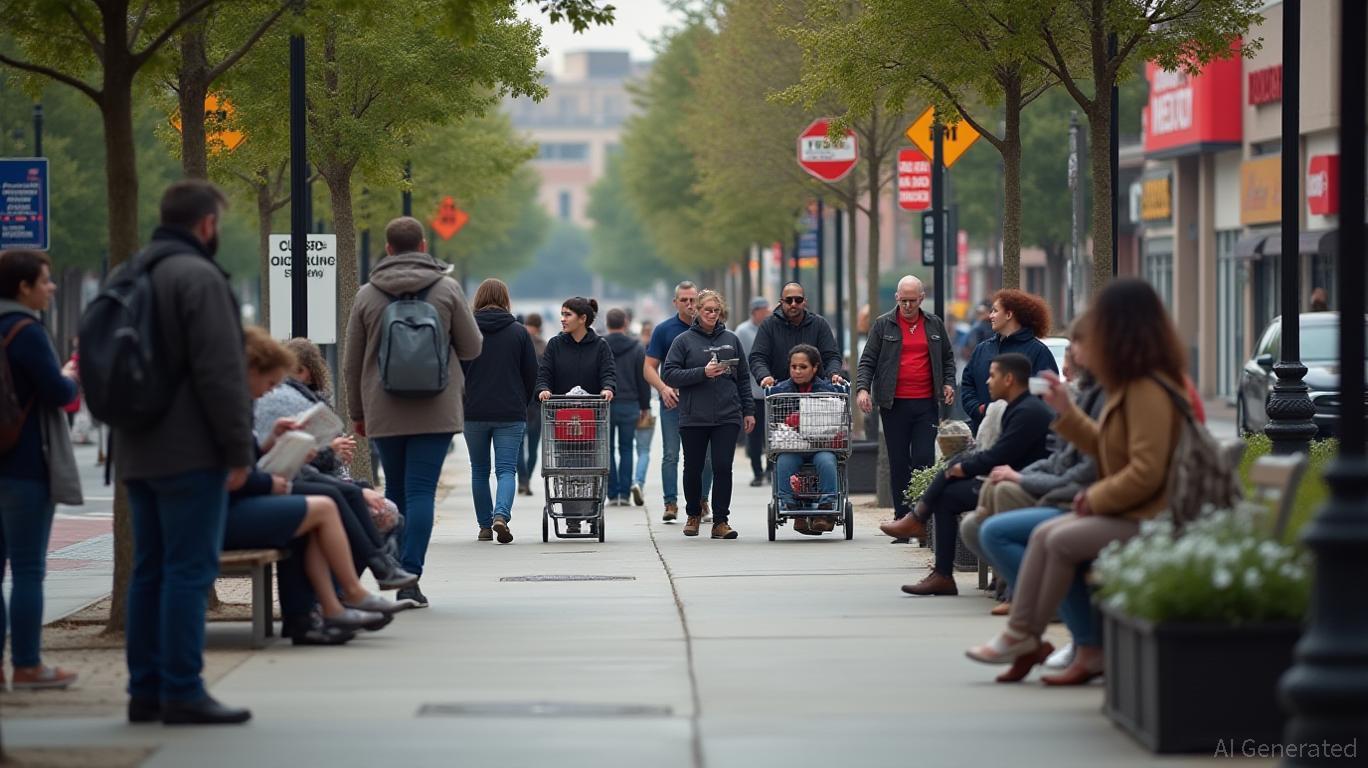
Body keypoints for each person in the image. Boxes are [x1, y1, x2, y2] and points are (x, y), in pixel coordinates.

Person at [966, 279, 1189, 686]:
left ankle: (1040, 638)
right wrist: (1068, 414)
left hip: (1150, 515)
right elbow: (1108, 449)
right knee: (1041, 535)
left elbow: (1146, 471)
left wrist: (1093, 498)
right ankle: (1051, 641)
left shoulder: (1147, 390)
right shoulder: (1129, 387)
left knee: (1052, 538)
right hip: (1130, 509)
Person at [114, 180, 253, 724]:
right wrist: (237, 450)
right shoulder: (199, 277)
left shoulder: (129, 272)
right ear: (206, 223)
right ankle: (182, 690)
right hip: (191, 452)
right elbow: (222, 375)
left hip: (136, 446)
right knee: (188, 572)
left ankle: (145, 690)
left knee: (148, 570)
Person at [343, 216, 482, 608]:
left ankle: (393, 568)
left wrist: (358, 412)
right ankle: (410, 577)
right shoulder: (447, 288)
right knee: (422, 491)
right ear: (423, 246)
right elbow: (472, 347)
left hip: (383, 407)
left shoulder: (367, 294)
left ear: (388, 249)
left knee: (396, 490)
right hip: (436, 408)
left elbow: (352, 362)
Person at [234, 327, 403, 642]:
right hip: (224, 508)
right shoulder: (230, 407)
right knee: (325, 505)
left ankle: (319, 612)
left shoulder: (239, 402)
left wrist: (272, 444)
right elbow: (233, 476)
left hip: (237, 498)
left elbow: (243, 461)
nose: (268, 392)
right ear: (252, 370)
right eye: (269, 383)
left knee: (330, 500)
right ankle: (349, 593)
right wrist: (272, 483)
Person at [253, 339, 416, 591]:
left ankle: (357, 584)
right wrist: (328, 452)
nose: (274, 386)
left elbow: (261, 456)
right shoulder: (280, 401)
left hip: (297, 478)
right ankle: (359, 583)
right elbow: (251, 469)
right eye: (272, 379)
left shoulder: (304, 399)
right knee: (345, 499)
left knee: (355, 496)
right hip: (278, 486)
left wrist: (323, 452)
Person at [892, 353, 1054, 596]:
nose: (987, 382)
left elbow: (1000, 454)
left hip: (1018, 487)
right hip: (1003, 480)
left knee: (949, 490)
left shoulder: (1028, 411)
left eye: (993, 376)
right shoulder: (1019, 407)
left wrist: (965, 468)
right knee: (950, 484)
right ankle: (939, 568)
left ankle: (924, 532)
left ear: (1009, 379)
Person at [0, 249, 81, 691]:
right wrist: (69, 376)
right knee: (29, 570)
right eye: (45, 281)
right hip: (25, 464)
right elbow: (58, 394)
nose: (51, 288)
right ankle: (27, 666)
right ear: (23, 287)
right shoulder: (27, 331)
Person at [856, 276, 957, 535]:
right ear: (896, 298)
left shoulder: (934, 324)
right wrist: (862, 389)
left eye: (913, 301)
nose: (908, 306)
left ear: (922, 298)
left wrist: (948, 383)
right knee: (899, 460)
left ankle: (921, 515)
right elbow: (868, 360)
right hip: (894, 404)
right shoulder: (883, 325)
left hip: (926, 403)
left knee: (924, 458)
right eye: (903, 301)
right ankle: (902, 517)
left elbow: (947, 358)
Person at [661, 290, 755, 539]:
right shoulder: (683, 341)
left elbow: (743, 378)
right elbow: (669, 374)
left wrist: (748, 410)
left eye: (716, 311)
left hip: (727, 414)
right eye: (707, 310)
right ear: (697, 311)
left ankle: (721, 521)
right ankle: (693, 514)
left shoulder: (731, 339)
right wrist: (702, 373)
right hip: (694, 416)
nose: (712, 315)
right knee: (693, 467)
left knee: (723, 466)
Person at [462, 279, 537, 544]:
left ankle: (484, 525)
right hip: (509, 411)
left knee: (479, 470)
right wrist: (522, 401)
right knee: (506, 470)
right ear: (505, 299)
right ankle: (501, 515)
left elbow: (456, 370)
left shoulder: (466, 330)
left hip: (473, 411)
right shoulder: (519, 332)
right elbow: (531, 373)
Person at [536, 297, 617, 533]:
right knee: (565, 469)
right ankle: (572, 517)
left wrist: (607, 388)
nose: (562, 319)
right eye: (562, 314)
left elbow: (608, 373)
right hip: (562, 418)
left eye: (567, 314)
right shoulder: (555, 345)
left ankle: (592, 512)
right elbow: (544, 373)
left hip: (592, 418)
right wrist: (543, 389)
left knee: (592, 468)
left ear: (583, 319)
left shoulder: (600, 346)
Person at [644, 282, 712, 523]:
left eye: (693, 299)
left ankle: (702, 500)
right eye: (684, 300)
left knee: (706, 457)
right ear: (675, 303)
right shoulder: (664, 330)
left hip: (704, 403)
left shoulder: (710, 328)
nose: (689, 304)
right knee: (671, 454)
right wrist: (663, 389)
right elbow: (649, 367)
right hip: (673, 403)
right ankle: (670, 503)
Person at [960, 289, 1058, 435]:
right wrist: (979, 409)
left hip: (1021, 435)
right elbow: (968, 385)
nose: (990, 316)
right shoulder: (982, 349)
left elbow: (1046, 395)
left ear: (1008, 314)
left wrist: (1016, 417)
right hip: (982, 434)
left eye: (995, 311)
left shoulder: (1038, 351)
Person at [768, 345, 841, 535]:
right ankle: (788, 503)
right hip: (792, 445)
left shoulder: (827, 390)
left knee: (827, 461)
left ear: (815, 368)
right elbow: (775, 423)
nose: (797, 371)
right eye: (794, 367)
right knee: (784, 461)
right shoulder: (780, 391)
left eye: (803, 367)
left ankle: (826, 507)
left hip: (821, 445)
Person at [749, 282, 845, 388]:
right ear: (781, 302)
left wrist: (833, 374)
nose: (793, 304)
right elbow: (758, 357)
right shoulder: (769, 325)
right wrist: (765, 376)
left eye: (798, 300)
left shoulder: (819, 324)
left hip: (817, 393)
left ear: (804, 302)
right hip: (779, 392)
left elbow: (832, 356)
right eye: (789, 300)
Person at [604, 309, 649, 507]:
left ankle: (612, 493)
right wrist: (645, 406)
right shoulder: (637, 348)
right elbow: (643, 379)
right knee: (627, 448)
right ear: (625, 323)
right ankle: (624, 493)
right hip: (630, 403)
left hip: (606, 403)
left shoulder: (601, 345)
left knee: (607, 449)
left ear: (607, 324)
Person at [734, 296, 770, 487]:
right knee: (754, 436)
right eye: (764, 310)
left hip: (771, 392)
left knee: (773, 434)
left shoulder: (770, 328)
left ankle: (771, 470)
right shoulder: (742, 331)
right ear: (756, 311)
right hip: (752, 393)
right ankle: (757, 472)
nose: (767, 313)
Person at [518, 313, 548, 497]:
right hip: (537, 401)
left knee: (518, 445)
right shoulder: (544, 346)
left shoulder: (518, 343)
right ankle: (527, 478)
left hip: (520, 400)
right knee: (533, 447)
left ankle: (522, 480)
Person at [631, 320, 656, 506]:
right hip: (640, 404)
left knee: (622, 448)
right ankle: (638, 481)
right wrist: (645, 406)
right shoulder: (652, 352)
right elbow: (644, 382)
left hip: (621, 402)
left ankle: (619, 489)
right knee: (644, 450)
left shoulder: (635, 348)